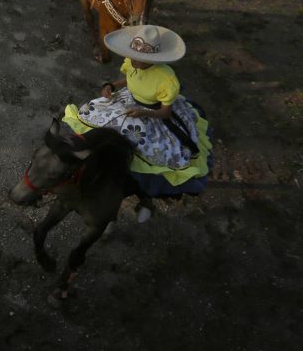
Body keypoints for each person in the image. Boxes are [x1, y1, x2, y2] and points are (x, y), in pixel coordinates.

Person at [62, 25, 212, 220]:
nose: (132, 60)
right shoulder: (132, 62)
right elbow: (128, 78)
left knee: (146, 152)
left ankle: (144, 196)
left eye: (138, 58)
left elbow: (166, 113)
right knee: (92, 119)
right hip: (128, 100)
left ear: (153, 60)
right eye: (132, 55)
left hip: (153, 113)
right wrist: (110, 85)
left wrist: (143, 112)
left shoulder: (166, 79)